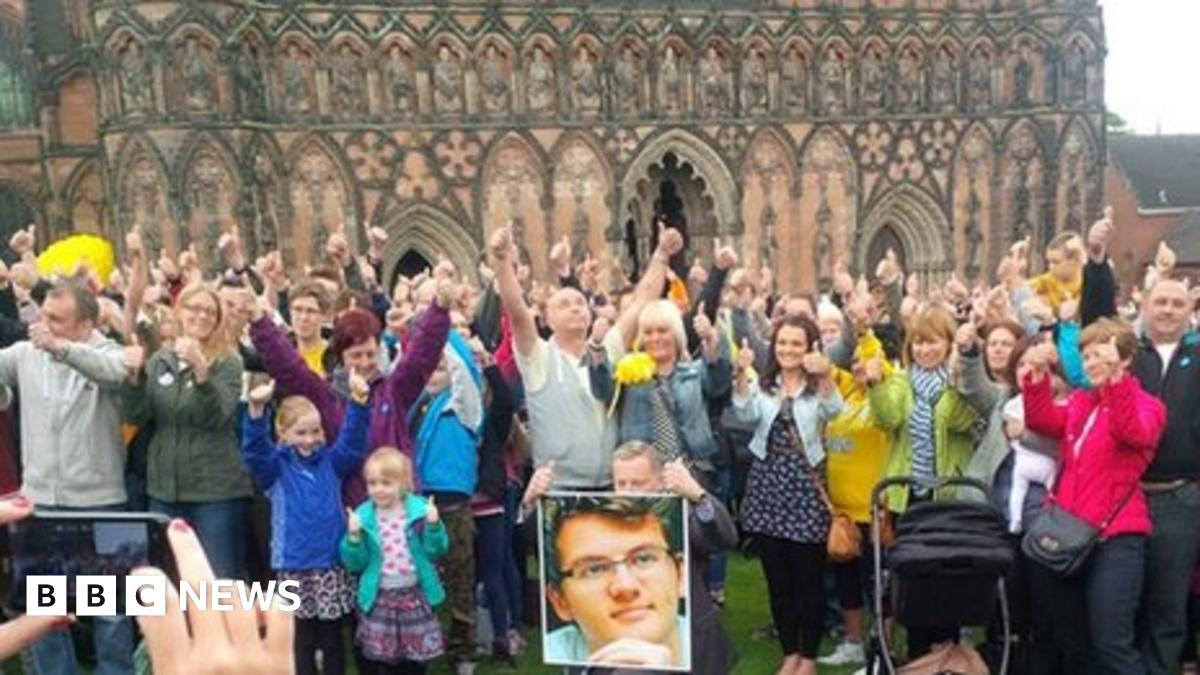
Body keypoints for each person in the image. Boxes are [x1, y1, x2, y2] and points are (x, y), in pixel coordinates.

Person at [0, 280, 135, 675]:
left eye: (57, 320)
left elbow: (117, 373)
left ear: (87, 324)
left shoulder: (109, 353)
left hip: (101, 502)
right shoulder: (26, 353)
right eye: (44, 316)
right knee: (45, 610)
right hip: (40, 503)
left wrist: (63, 349)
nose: (44, 326)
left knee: (109, 609)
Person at [1023, 317, 1167, 675]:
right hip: (1069, 534)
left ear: (1125, 359)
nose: (1091, 363)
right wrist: (1037, 377)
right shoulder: (1082, 402)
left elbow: (1132, 432)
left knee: (1111, 646)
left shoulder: (1148, 405)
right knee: (1073, 641)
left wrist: (1117, 382)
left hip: (1115, 538)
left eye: (1100, 355)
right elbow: (1042, 421)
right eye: (1086, 356)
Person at [488, 223, 679, 489]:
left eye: (580, 303)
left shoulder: (607, 348)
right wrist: (501, 262)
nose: (576, 308)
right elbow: (517, 312)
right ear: (548, 319)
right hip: (559, 489)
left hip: (610, 486)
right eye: (564, 305)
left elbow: (641, 301)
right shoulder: (540, 357)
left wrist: (661, 254)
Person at [523, 440, 739, 674]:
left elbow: (723, 538)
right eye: (621, 483)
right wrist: (531, 502)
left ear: (661, 482)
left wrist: (698, 496)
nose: (628, 490)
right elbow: (535, 544)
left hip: (691, 653)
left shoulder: (678, 512)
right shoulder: (594, 517)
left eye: (637, 483)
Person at [241, 372, 373, 675]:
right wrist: (256, 411)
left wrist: (358, 402)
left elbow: (352, 442)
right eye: (301, 433)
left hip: (329, 564)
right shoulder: (275, 469)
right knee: (301, 637)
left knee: (332, 636)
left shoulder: (331, 462)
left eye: (315, 431)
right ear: (283, 433)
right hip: (294, 564)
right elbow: (255, 451)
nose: (310, 439)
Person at [732, 315, 842, 675]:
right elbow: (744, 414)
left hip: (805, 488)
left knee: (808, 580)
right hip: (767, 486)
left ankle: (808, 657)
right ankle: (789, 652)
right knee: (778, 581)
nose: (788, 350)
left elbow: (835, 410)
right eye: (782, 342)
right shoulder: (765, 385)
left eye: (796, 343)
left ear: (810, 347)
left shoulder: (817, 384)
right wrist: (741, 373)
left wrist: (825, 375)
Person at [124, 283, 253, 579]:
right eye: (194, 308)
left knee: (217, 580)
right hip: (164, 490)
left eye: (210, 311)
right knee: (168, 578)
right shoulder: (160, 360)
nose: (201, 316)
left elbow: (217, 416)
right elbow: (137, 414)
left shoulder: (229, 361)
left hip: (215, 493)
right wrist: (133, 379)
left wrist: (202, 372)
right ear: (179, 312)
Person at [540, 493, 689, 669]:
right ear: (561, 602)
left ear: (680, 575)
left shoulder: (710, 646)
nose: (626, 586)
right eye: (594, 569)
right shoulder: (552, 655)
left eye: (644, 559)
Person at [341, 448, 448, 675]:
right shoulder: (363, 516)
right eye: (372, 483)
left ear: (404, 483)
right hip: (381, 597)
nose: (378, 489)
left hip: (414, 595)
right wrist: (353, 538)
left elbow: (435, 551)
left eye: (386, 483)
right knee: (385, 660)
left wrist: (433, 526)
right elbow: (355, 564)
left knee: (415, 660)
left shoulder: (419, 511)